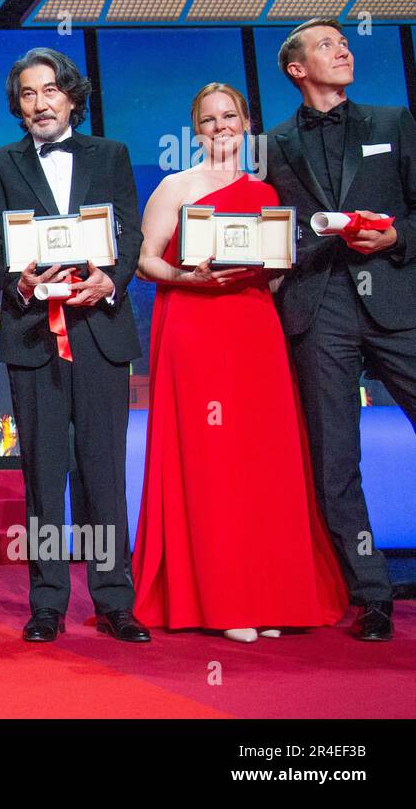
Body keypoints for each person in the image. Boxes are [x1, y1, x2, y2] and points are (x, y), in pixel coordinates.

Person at [131, 82, 349, 642]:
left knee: (262, 460)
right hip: (193, 327)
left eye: (230, 116)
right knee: (210, 461)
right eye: (208, 120)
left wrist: (271, 268)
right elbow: (145, 263)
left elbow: (277, 274)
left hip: (254, 327)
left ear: (246, 123)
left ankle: (269, 594)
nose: (220, 126)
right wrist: (188, 276)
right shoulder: (175, 187)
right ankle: (221, 601)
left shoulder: (268, 194)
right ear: (196, 129)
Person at [0, 48, 150, 644]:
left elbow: (129, 233)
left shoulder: (112, 154)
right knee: (42, 474)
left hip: (99, 332)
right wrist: (17, 282)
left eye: (50, 90)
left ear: (72, 96)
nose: (40, 102)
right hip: (32, 335)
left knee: (104, 472)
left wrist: (112, 279)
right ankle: (46, 601)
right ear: (18, 107)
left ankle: (114, 601)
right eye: (27, 94)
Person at [263, 17, 416, 641]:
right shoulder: (272, 144)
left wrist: (398, 235)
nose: (344, 49)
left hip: (397, 301)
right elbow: (272, 230)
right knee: (335, 459)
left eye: (344, 42)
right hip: (317, 306)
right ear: (297, 68)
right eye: (327, 44)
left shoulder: (392, 122)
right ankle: (370, 589)